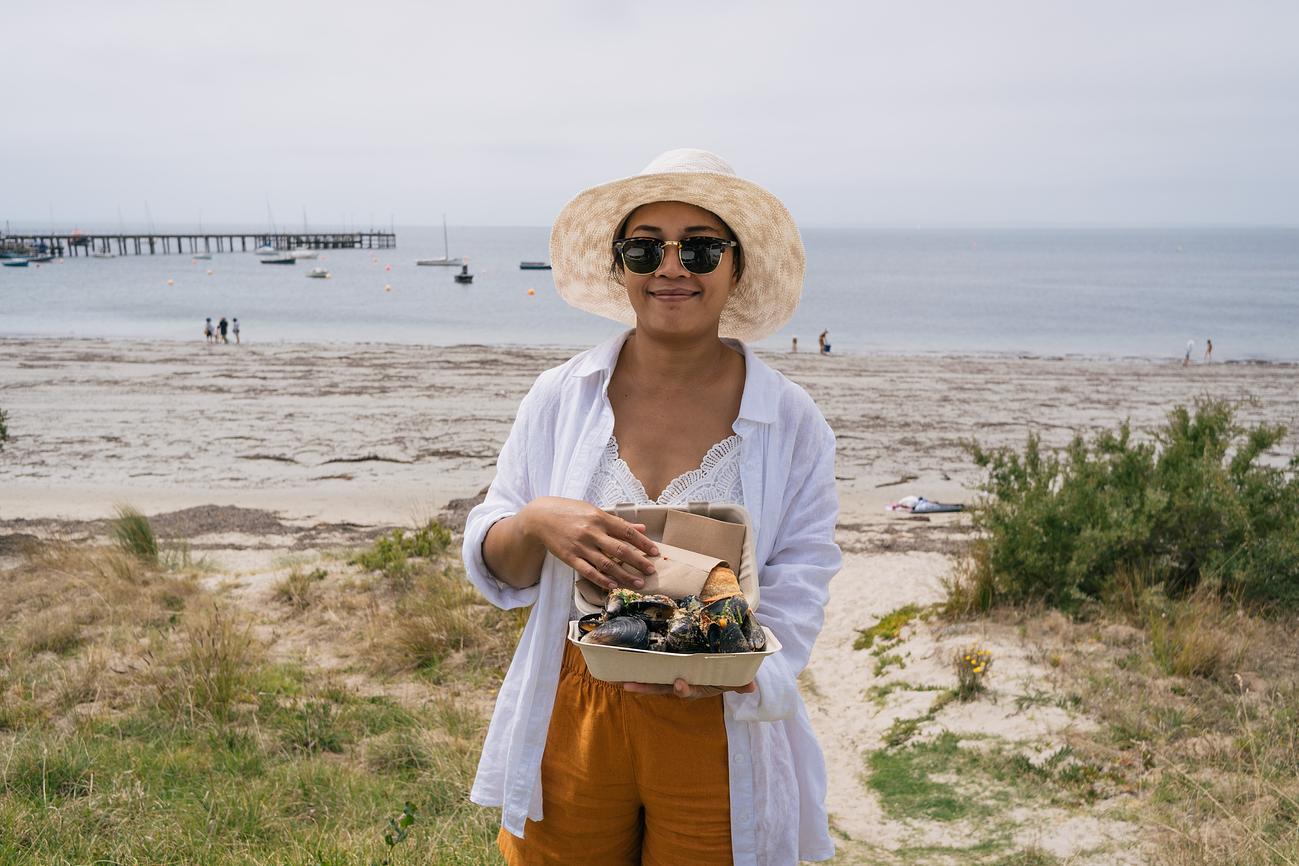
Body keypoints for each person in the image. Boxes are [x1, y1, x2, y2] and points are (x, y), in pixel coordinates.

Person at [463, 148, 841, 866]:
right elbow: (498, 561)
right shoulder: (560, 398)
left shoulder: (792, 423)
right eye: (644, 249)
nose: (671, 268)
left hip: (719, 717)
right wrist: (538, 521)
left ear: (736, 268)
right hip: (576, 706)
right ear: (620, 267)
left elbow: (801, 582)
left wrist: (737, 668)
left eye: (699, 249)